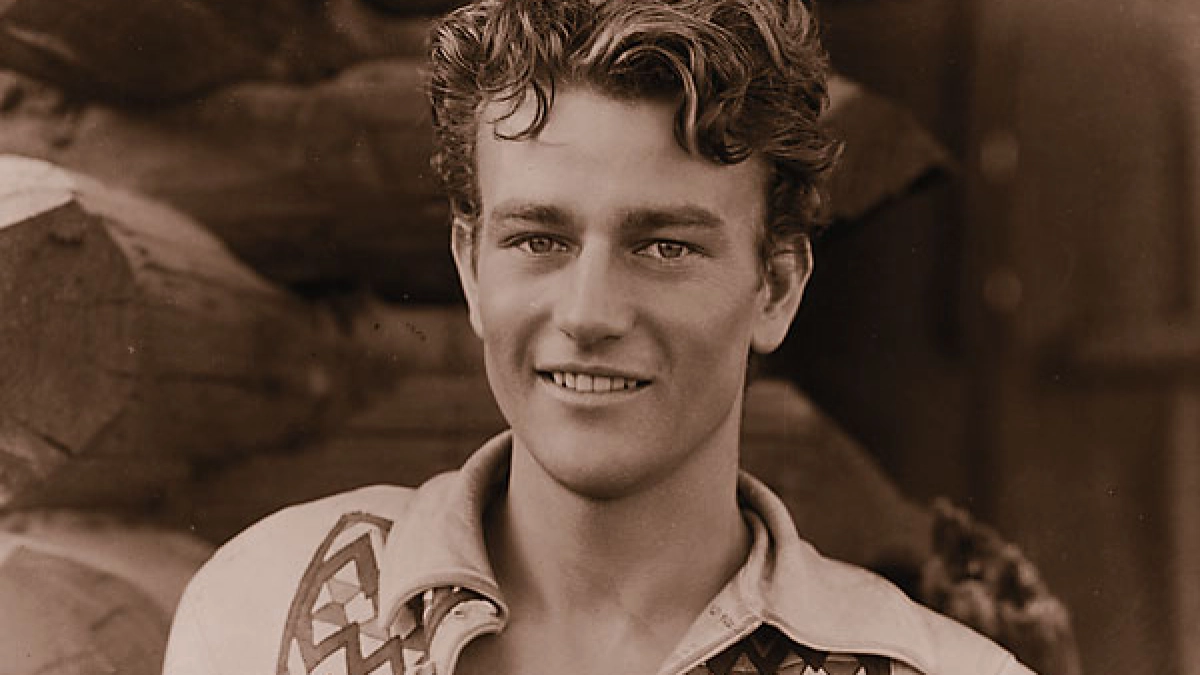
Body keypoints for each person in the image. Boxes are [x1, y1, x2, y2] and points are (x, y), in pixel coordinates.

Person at [163, 1, 1036, 674]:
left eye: (665, 246)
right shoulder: (263, 607)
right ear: (471, 267)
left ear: (775, 286)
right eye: (538, 239)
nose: (588, 312)